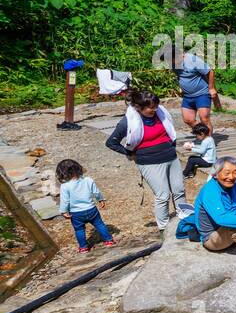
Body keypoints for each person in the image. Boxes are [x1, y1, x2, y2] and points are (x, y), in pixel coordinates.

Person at [105, 88, 186, 231]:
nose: (155, 110)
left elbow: (170, 132)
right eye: (150, 108)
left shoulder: (161, 113)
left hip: (171, 157)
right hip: (149, 162)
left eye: (156, 106)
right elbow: (111, 142)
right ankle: (164, 228)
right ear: (138, 107)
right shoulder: (128, 122)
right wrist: (130, 154)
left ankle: (185, 218)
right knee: (162, 195)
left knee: (179, 189)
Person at [56, 158, 115, 252]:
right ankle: (109, 240)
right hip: (91, 209)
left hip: (76, 213)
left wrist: (63, 211)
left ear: (62, 173)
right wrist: (100, 199)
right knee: (100, 224)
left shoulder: (65, 186)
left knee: (79, 230)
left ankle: (83, 247)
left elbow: (65, 200)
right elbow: (96, 192)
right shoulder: (88, 180)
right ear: (78, 168)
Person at [176, 44, 216, 130]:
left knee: (204, 119)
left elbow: (210, 71)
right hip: (187, 96)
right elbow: (179, 75)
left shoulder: (192, 60)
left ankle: (207, 140)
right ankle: (202, 133)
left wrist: (211, 88)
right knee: (188, 120)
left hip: (202, 93)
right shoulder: (172, 63)